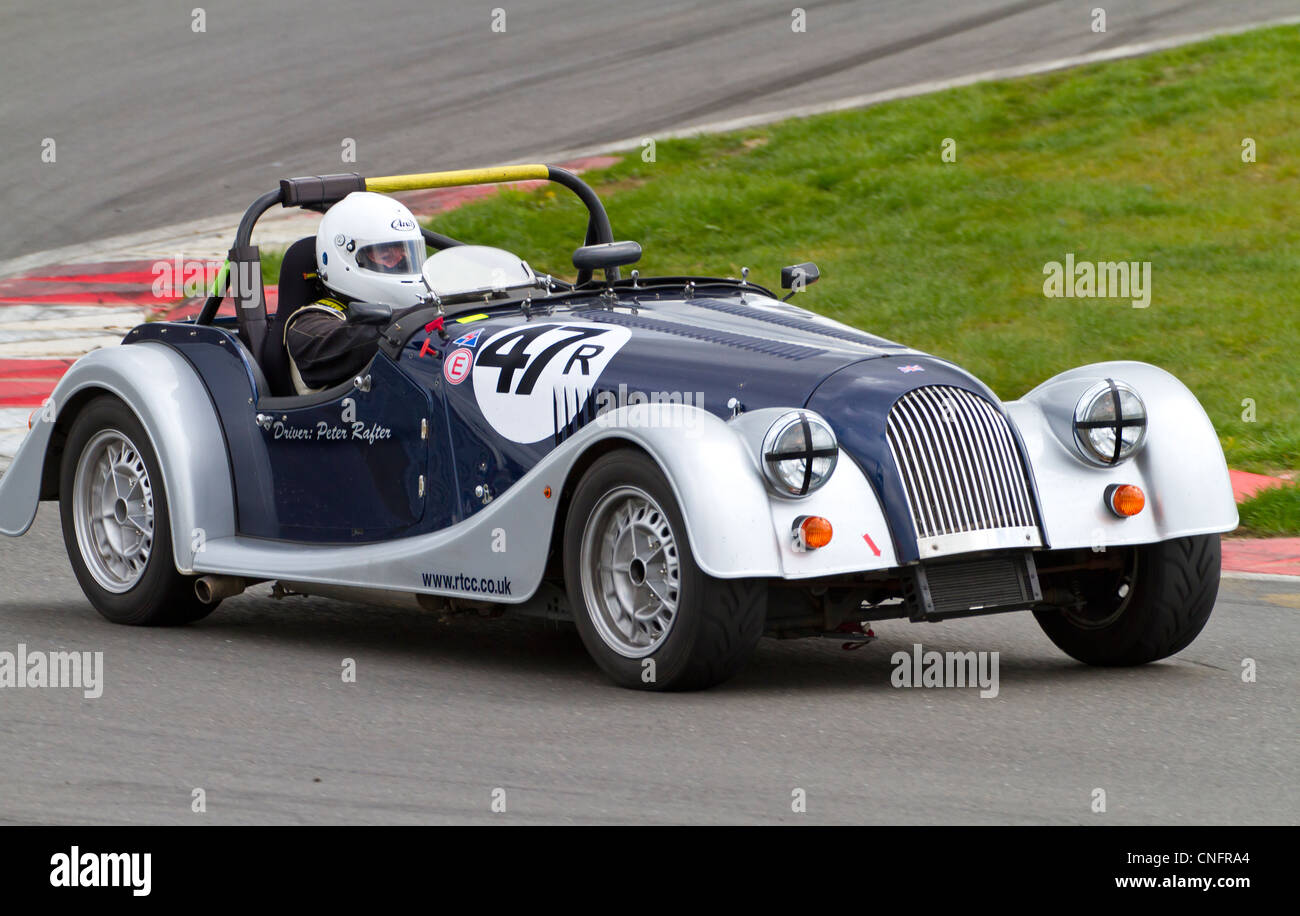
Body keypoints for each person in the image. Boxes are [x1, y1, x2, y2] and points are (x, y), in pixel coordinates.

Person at [284, 192, 428, 394]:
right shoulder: (308, 326)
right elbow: (358, 339)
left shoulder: (421, 308)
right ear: (342, 258)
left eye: (406, 254)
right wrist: (426, 314)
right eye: (386, 255)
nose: (400, 263)